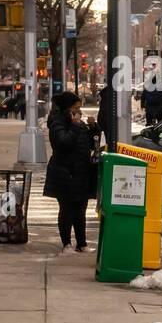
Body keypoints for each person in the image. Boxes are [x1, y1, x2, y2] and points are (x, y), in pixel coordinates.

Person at [44, 92, 102, 252]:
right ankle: (66, 243)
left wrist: (93, 128)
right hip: (65, 173)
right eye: (76, 108)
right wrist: (76, 126)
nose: (80, 111)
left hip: (81, 172)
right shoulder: (57, 123)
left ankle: (81, 243)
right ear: (67, 109)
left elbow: (90, 144)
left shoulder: (78, 124)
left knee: (80, 210)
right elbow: (62, 143)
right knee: (67, 209)